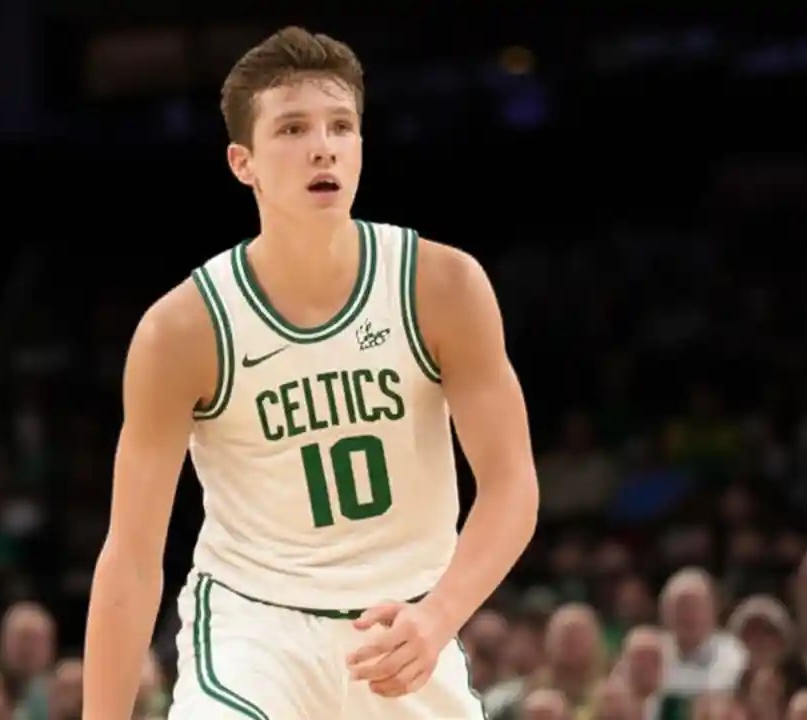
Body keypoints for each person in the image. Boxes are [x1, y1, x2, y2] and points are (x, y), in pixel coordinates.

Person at [82, 25, 539, 720]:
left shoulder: (441, 286)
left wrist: (440, 614)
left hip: (402, 623)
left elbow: (511, 486)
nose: (323, 145)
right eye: (293, 128)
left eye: (341, 126)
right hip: (254, 631)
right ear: (245, 163)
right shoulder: (183, 330)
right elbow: (131, 557)